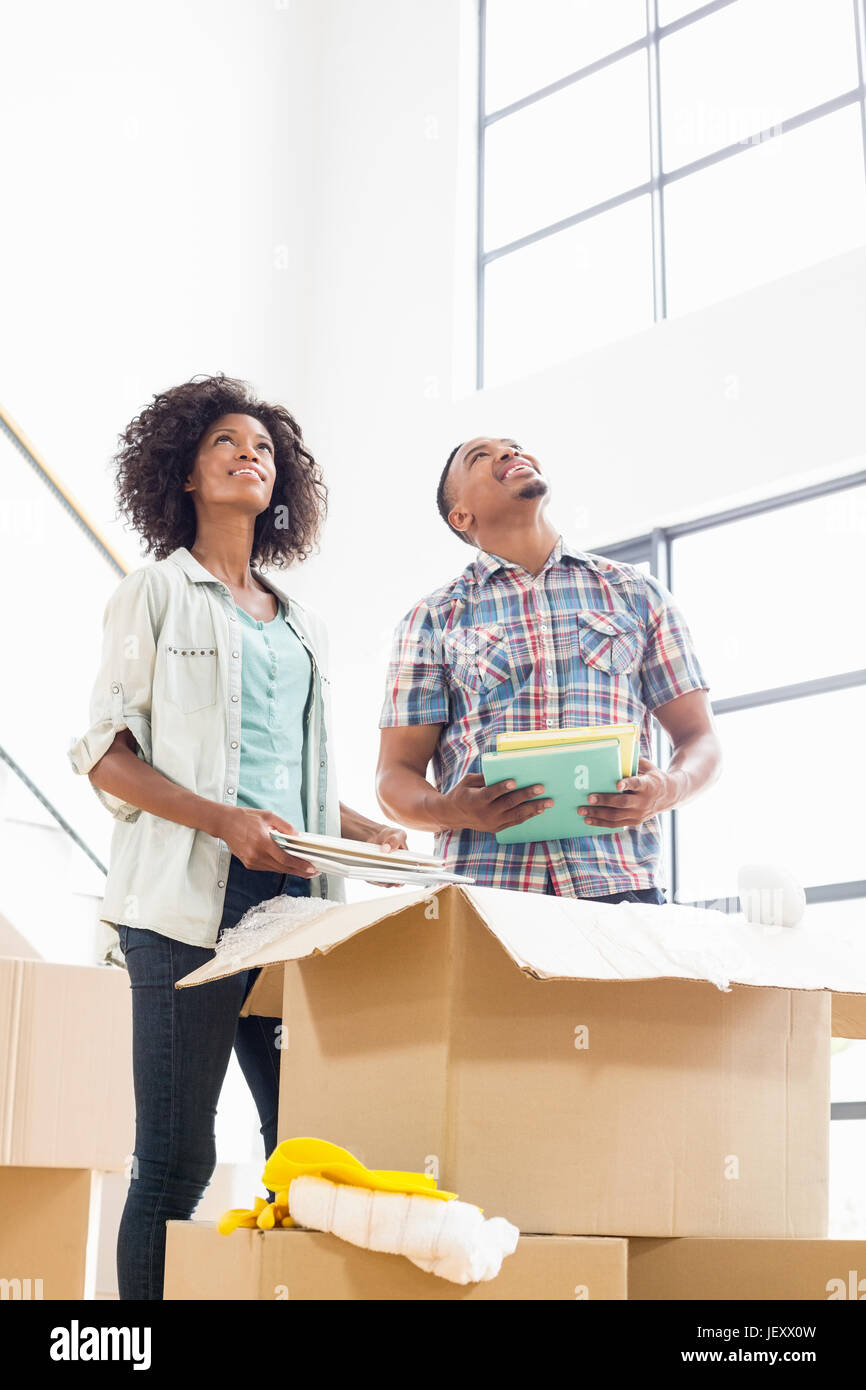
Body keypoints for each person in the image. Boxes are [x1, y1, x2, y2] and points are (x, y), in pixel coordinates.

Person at [68, 372, 407, 1300]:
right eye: (224, 442)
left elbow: (289, 785)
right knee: (176, 1160)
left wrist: (364, 836)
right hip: (186, 906)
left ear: (280, 482)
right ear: (183, 471)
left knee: (306, 1146)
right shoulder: (153, 594)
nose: (246, 454)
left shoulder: (302, 627)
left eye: (261, 447)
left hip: (296, 910)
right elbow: (105, 754)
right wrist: (225, 824)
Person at [376, 435, 721, 902]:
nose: (508, 454)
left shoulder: (636, 593)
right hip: (485, 894)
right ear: (461, 516)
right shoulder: (432, 618)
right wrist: (453, 810)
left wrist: (668, 789)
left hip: (622, 886)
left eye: (514, 447)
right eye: (481, 457)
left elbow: (700, 738)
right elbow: (394, 777)